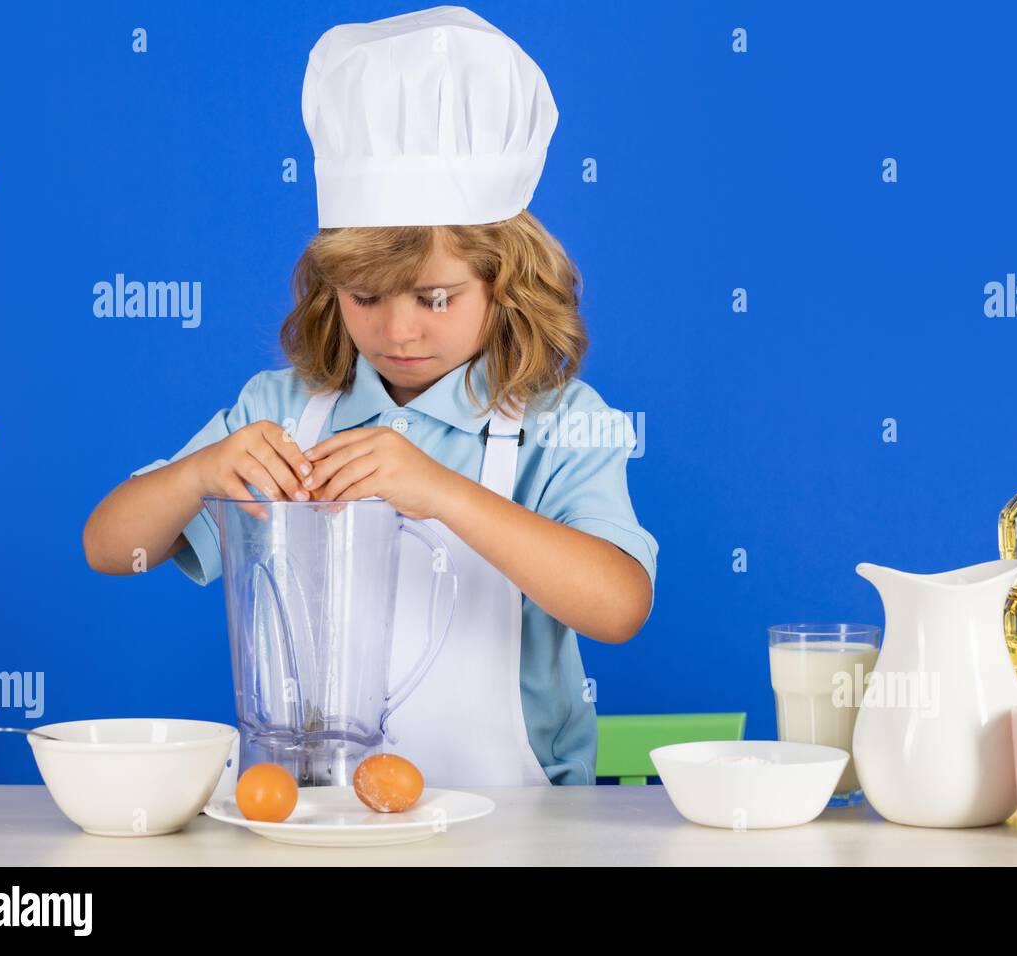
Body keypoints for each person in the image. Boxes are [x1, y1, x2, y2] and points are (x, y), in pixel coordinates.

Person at [83, 6, 656, 787]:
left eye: (435, 298)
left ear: (506, 278)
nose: (398, 330)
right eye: (364, 297)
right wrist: (197, 474)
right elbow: (109, 549)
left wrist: (440, 491)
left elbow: (619, 608)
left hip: (524, 823)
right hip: (323, 816)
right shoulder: (285, 411)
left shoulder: (561, 424)